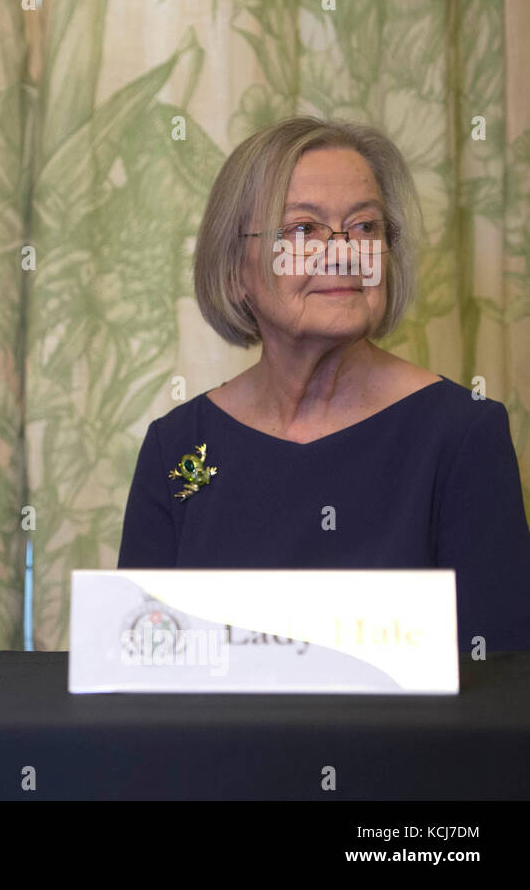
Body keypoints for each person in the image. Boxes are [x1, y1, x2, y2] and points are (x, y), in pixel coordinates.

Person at [118, 116, 530, 652]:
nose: (343, 253)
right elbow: (142, 665)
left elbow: (501, 685)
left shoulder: (463, 433)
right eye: (303, 230)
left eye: (365, 228)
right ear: (235, 270)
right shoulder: (177, 445)